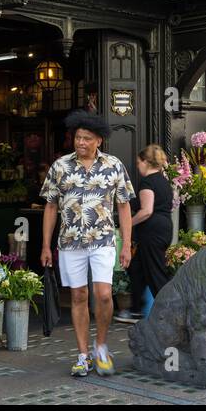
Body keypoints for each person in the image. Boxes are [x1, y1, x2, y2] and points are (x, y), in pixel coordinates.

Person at [40, 111, 133, 377]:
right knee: (79, 296)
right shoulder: (60, 166)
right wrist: (46, 246)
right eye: (77, 137)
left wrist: (126, 244)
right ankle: (83, 355)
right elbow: (50, 207)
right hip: (70, 243)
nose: (80, 142)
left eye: (86, 138)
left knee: (103, 294)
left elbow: (124, 207)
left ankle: (101, 346)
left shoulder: (114, 166)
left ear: (99, 141)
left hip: (103, 240)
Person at [115, 144, 173, 324]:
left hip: (151, 231)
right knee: (137, 269)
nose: (137, 166)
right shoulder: (164, 180)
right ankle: (136, 310)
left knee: (155, 272)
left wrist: (127, 224)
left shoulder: (148, 182)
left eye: (138, 163)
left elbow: (146, 211)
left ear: (146, 162)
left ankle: (171, 310)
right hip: (162, 228)